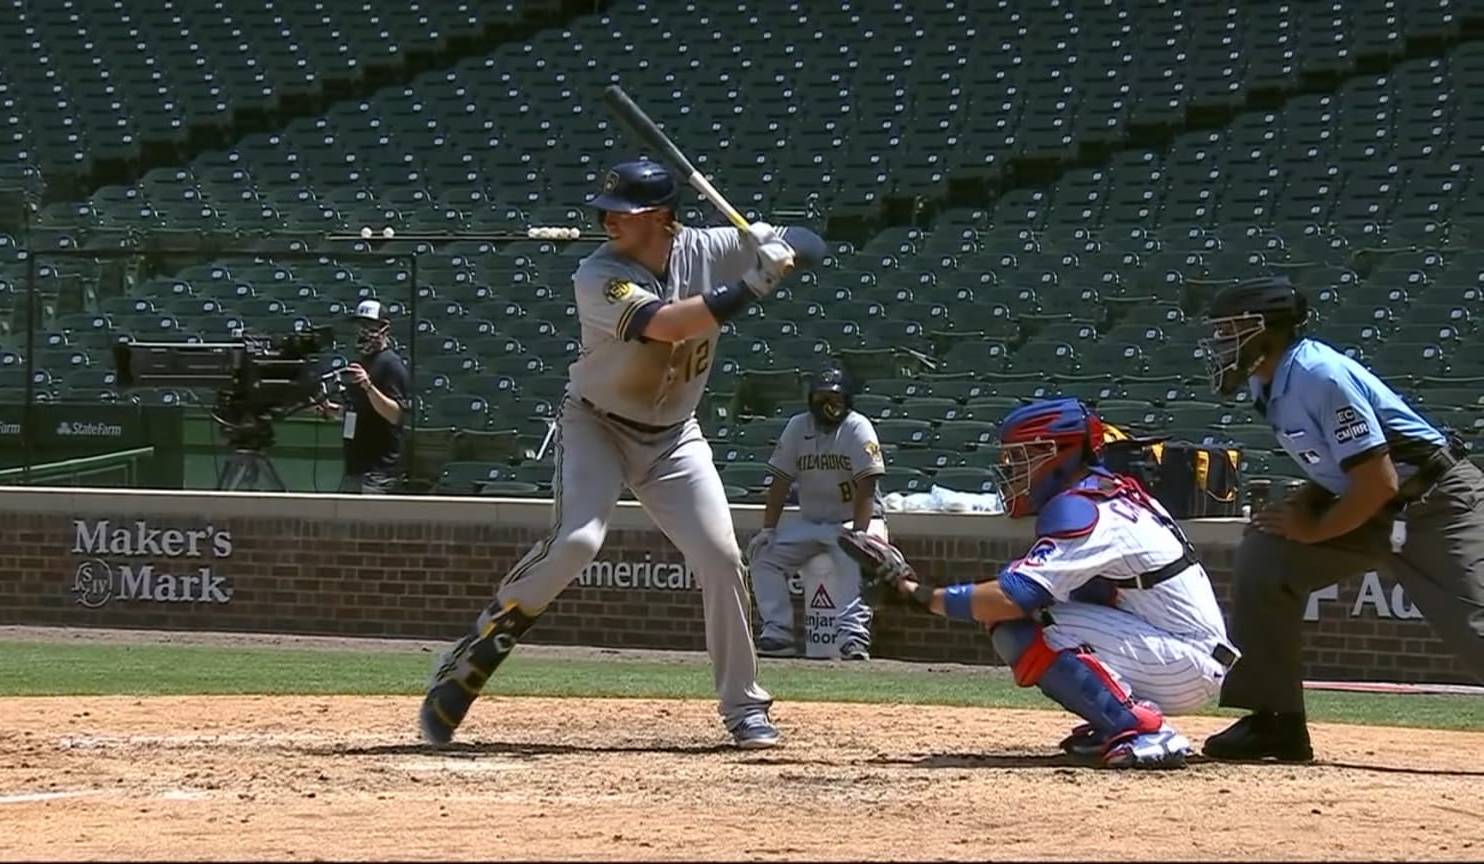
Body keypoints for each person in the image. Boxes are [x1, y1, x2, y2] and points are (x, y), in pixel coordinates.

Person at [417, 159, 827, 749]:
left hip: (674, 436)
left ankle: (744, 707)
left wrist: (779, 243)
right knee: (578, 541)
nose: (607, 219)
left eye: (623, 213)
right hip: (597, 426)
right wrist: (756, 282)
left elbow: (812, 242)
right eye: (605, 209)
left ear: (661, 217)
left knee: (719, 556)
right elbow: (666, 325)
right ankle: (476, 651)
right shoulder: (597, 273)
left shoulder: (711, 247)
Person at [838, 397, 1241, 769]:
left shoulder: (1088, 509)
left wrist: (917, 596)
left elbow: (1012, 598)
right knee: (1034, 609)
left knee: (1022, 622)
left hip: (1186, 663)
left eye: (1020, 457)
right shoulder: (1108, 496)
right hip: (1181, 651)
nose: (1013, 470)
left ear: (1057, 454)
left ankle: (1142, 728)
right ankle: (1115, 717)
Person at [1195, 275, 1484, 762]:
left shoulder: (1318, 374)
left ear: (1267, 329)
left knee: (1476, 629)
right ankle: (1275, 722)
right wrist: (1308, 500)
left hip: (1438, 506)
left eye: (1231, 330)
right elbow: (1351, 470)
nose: (1222, 343)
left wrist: (1313, 527)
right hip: (1374, 504)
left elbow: (1379, 481)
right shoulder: (1269, 382)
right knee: (1267, 557)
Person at [748, 362, 887, 660]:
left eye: (835, 399)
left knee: (856, 561)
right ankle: (778, 633)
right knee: (763, 555)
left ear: (847, 400)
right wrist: (768, 529)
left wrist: (860, 535)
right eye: (821, 398)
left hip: (857, 521)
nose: (827, 405)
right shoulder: (798, 426)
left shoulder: (857, 427)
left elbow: (868, 486)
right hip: (812, 522)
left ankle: (853, 639)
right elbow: (780, 482)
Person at [317, 299, 411, 495]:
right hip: (355, 467)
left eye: (369, 325)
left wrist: (368, 386)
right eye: (360, 326)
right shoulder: (360, 363)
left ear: (384, 329)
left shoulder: (391, 364)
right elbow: (357, 412)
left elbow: (395, 415)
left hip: (379, 472)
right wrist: (331, 410)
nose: (363, 331)